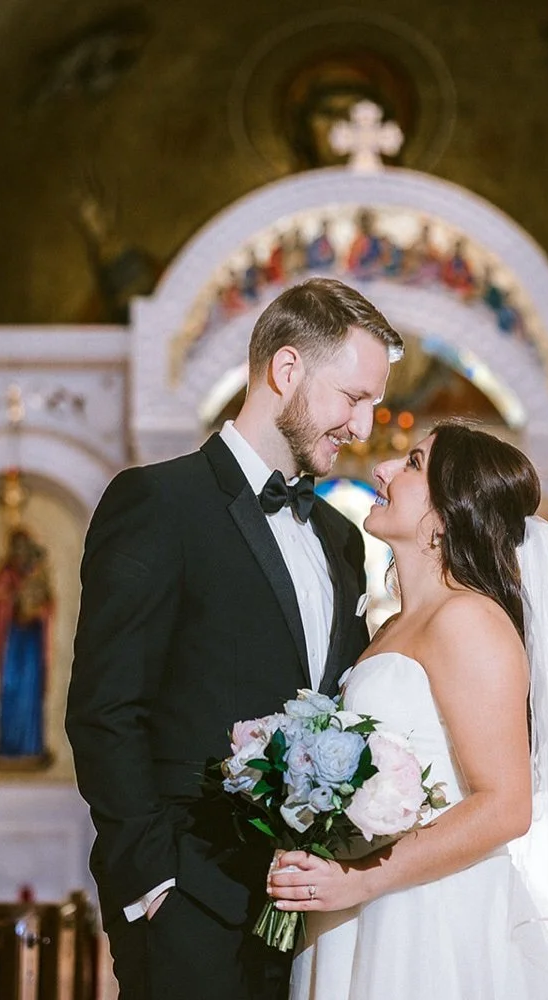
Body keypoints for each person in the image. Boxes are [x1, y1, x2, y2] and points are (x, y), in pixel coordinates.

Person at [67, 276, 401, 1000]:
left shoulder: (342, 541)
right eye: (354, 398)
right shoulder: (157, 503)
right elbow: (105, 709)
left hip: (309, 910)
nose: (364, 427)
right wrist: (154, 882)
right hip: (188, 902)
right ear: (287, 371)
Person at [274, 423, 548, 999]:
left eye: (411, 464)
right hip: (361, 904)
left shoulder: (469, 621)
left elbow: (506, 805)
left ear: (448, 513)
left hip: (428, 916)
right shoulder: (391, 628)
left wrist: (361, 879)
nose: (381, 471)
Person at [0, 530, 54, 760]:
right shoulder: (6, 573)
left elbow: (47, 604)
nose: (20, 553)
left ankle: (31, 746)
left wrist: (37, 610)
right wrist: (13, 602)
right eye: (16, 547)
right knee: (10, 689)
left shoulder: (38, 572)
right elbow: (0, 602)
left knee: (30, 691)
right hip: (13, 640)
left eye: (24, 547)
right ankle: (8, 744)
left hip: (31, 640)